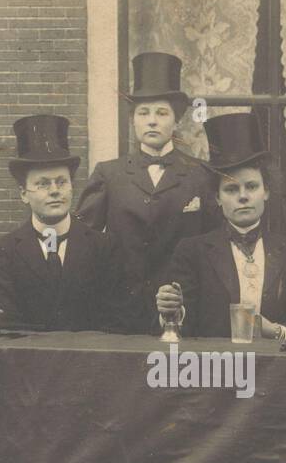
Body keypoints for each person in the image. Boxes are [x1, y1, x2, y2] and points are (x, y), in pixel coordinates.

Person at [76, 52, 220, 332]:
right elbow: (85, 245)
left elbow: (214, 247)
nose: (152, 121)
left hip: (184, 311)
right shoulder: (109, 174)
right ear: (133, 120)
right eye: (144, 113)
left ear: (176, 121)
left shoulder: (200, 174)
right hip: (119, 312)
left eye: (161, 113)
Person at [156, 112, 286, 339]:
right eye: (231, 189)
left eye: (252, 187)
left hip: (279, 369)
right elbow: (184, 322)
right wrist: (172, 311)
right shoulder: (193, 251)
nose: (243, 197)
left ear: (267, 192)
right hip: (216, 369)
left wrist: (277, 331)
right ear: (217, 197)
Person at [0, 114, 126, 331]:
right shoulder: (4, 250)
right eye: (42, 184)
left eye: (61, 182)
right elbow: (5, 323)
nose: (54, 191)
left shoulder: (103, 247)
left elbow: (115, 320)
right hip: (26, 362)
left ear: (71, 186)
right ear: (23, 194)